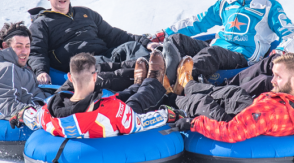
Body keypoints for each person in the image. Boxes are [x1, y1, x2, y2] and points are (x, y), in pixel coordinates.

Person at [148, 0, 294, 94]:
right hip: (216, 48)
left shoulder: (269, 6)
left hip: (242, 57)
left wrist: (281, 51)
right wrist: (166, 33)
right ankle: (157, 78)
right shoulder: (229, 0)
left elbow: (292, 35)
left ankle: (179, 87)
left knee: (211, 53)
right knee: (176, 40)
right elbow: (200, 21)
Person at [9, 52, 182, 138]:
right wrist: (168, 114)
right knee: (136, 102)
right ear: (94, 76)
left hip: (86, 116)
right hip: (111, 124)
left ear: (69, 77)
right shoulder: (112, 110)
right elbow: (139, 123)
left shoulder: (48, 112)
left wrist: (21, 114)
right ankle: (154, 81)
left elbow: (31, 116)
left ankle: (137, 84)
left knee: (121, 95)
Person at [28, 0, 152, 88]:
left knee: (131, 47)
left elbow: (113, 35)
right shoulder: (41, 24)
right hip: (81, 64)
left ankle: (153, 74)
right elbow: (36, 52)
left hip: (105, 55)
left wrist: (146, 42)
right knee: (94, 64)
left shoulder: (85, 13)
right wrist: (41, 71)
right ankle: (141, 79)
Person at [173, 53, 294, 143]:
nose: (273, 80)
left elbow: (230, 133)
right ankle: (189, 86)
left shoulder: (270, 111)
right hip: (257, 114)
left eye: (278, 77)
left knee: (204, 103)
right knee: (233, 93)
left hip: (241, 124)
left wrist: (193, 123)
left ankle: (171, 96)